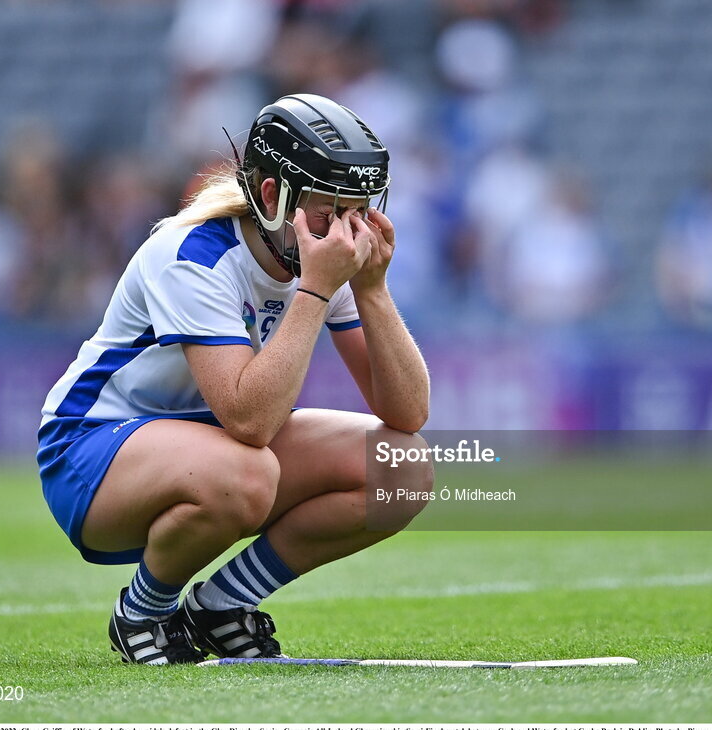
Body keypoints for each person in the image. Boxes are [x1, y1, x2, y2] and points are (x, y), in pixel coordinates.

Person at [37, 94, 433, 665]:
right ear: (272, 196)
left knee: (403, 467)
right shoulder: (192, 254)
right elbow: (251, 421)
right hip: (91, 449)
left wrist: (371, 288)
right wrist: (317, 291)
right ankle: (143, 612)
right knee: (247, 470)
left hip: (217, 446)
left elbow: (408, 414)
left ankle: (223, 605)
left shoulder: (322, 251)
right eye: (330, 209)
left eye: (359, 210)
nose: (348, 231)